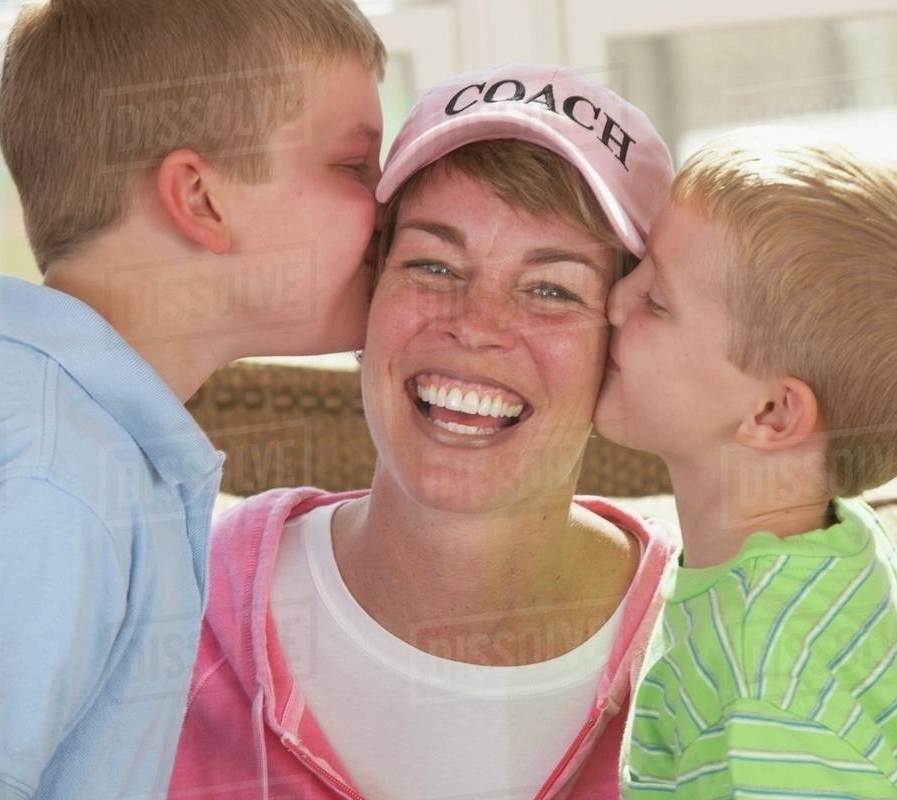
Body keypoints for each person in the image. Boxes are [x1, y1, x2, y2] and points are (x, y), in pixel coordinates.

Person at [0, 2, 385, 797]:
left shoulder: (74, 440)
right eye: (353, 167)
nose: (388, 208)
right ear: (200, 200)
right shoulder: (47, 485)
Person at [169, 64, 678, 799]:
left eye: (550, 289)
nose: (475, 326)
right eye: (434, 264)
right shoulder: (175, 594)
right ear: (367, 290)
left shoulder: (718, 641)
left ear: (625, 347)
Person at [597, 128, 897, 797]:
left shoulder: (766, 697)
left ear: (772, 414)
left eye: (656, 300)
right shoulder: (847, 543)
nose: (614, 301)